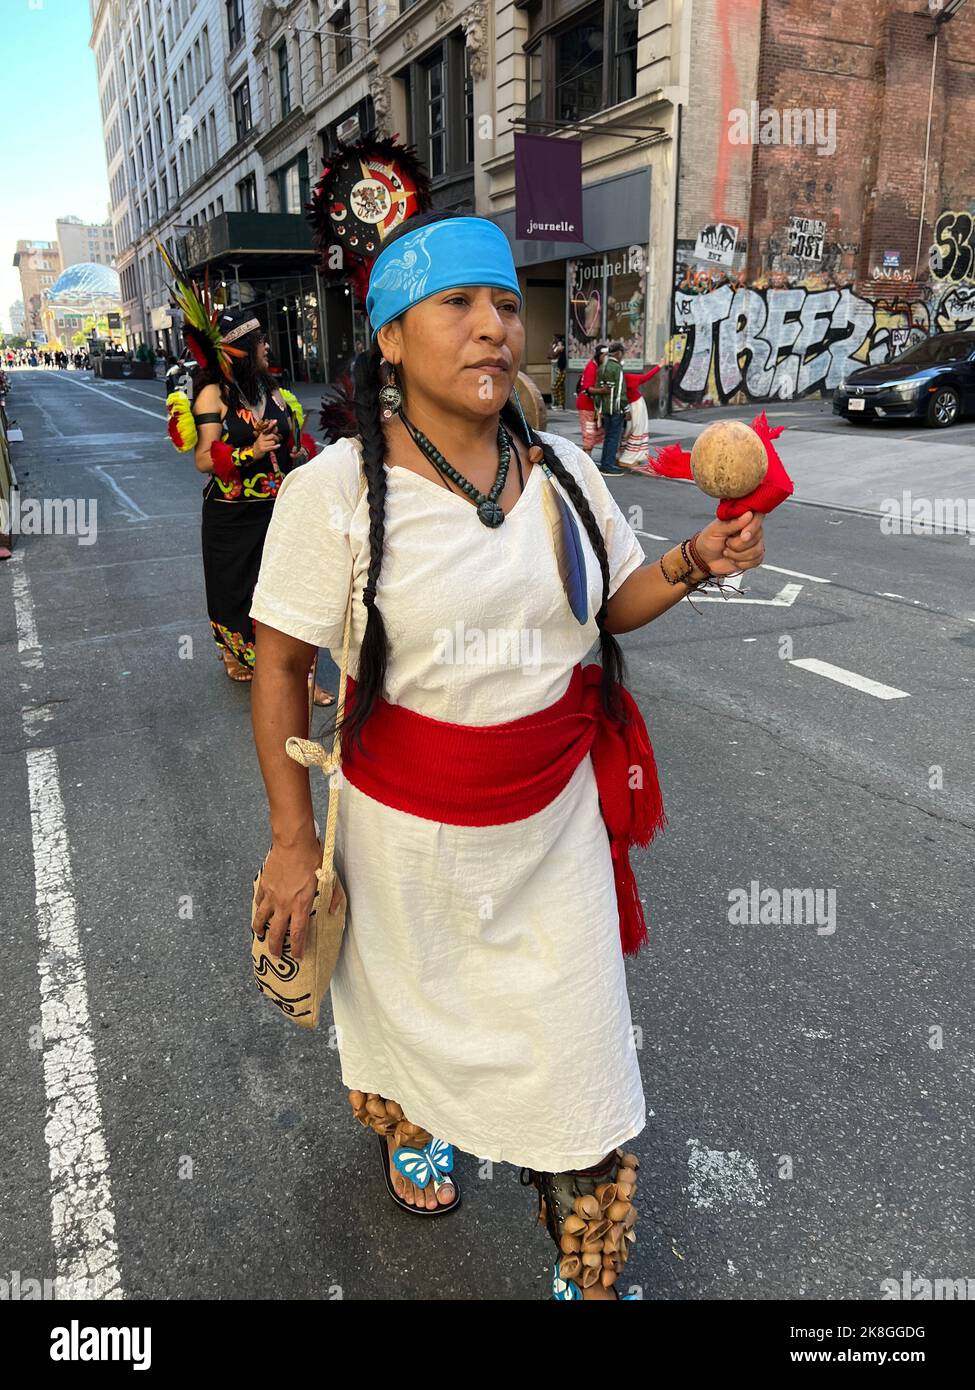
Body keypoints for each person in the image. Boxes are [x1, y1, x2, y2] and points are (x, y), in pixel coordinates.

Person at [246, 210, 767, 1301]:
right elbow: (283, 664)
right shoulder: (332, 494)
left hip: (552, 833)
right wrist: (294, 838)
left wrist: (694, 559)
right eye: (456, 305)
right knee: (408, 1027)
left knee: (577, 1065)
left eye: (501, 303)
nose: (492, 326)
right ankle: (409, 1125)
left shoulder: (568, 469)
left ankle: (587, 1264)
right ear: (389, 337)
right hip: (401, 843)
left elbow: (612, 607)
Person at [158, 248, 334, 705]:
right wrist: (249, 450)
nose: (268, 350)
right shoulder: (212, 395)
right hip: (233, 514)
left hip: (280, 507)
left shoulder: (272, 390)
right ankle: (237, 654)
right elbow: (202, 460)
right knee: (238, 590)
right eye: (259, 345)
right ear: (239, 353)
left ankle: (303, 673)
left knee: (291, 588)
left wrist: (293, 449)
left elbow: (295, 444)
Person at [588, 340, 629, 476]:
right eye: (622, 354)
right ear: (618, 353)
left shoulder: (602, 367)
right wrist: (627, 409)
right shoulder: (617, 368)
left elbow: (599, 389)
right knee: (613, 437)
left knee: (608, 437)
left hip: (605, 408)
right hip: (616, 409)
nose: (622, 357)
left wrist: (599, 408)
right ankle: (609, 465)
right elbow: (620, 393)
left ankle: (605, 463)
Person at [617, 363, 662, 471]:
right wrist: (659, 366)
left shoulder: (618, 379)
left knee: (629, 431)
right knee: (637, 430)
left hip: (628, 406)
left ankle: (624, 455)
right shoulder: (628, 377)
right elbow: (646, 377)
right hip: (636, 405)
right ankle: (628, 458)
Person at [575, 341, 607, 455]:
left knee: (594, 433)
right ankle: (586, 460)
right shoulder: (591, 367)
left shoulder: (596, 366)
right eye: (605, 356)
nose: (606, 358)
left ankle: (587, 457)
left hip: (591, 406)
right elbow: (588, 388)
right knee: (589, 433)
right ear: (600, 355)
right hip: (586, 404)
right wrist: (603, 391)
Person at [548, 332, 567, 409]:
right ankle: (559, 403)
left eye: (560, 345)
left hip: (560, 369)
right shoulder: (555, 346)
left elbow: (553, 355)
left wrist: (557, 351)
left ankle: (558, 402)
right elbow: (549, 354)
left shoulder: (563, 352)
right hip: (558, 368)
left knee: (555, 386)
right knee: (558, 386)